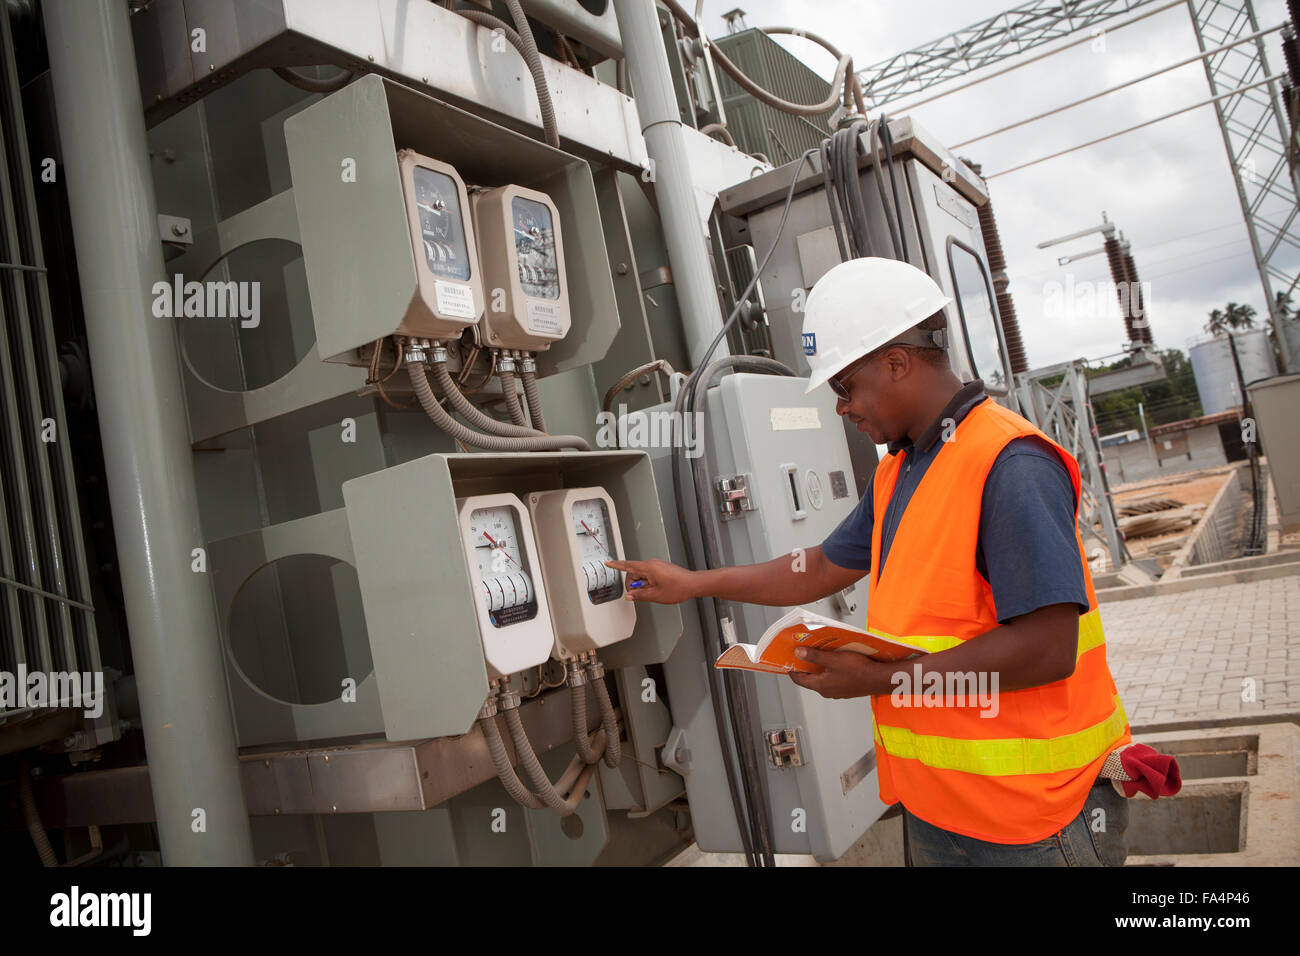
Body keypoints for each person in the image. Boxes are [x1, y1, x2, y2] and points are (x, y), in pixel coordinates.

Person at [605, 256, 1131, 866]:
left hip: (1037, 825)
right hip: (943, 812)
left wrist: (879, 679)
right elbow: (820, 567)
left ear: (897, 363)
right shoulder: (901, 470)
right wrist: (694, 583)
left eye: (844, 386)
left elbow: (1046, 650)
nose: (842, 408)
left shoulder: (1010, 465)